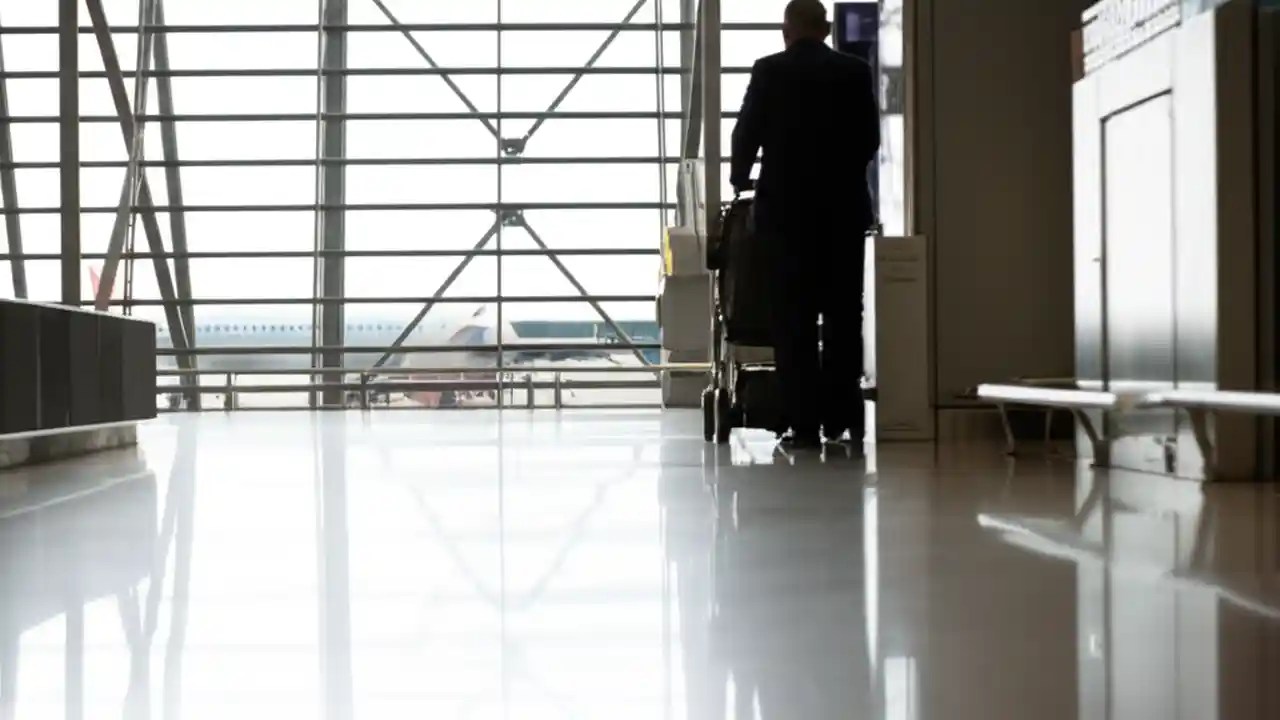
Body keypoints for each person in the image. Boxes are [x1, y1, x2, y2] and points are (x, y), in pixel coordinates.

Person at [730, 0, 880, 448]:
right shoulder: (853, 71)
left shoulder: (768, 70)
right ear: (828, 28)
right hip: (843, 215)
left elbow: (746, 131)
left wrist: (740, 179)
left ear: (785, 32)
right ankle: (842, 418)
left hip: (786, 219)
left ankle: (805, 425)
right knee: (842, 318)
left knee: (791, 321)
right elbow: (870, 138)